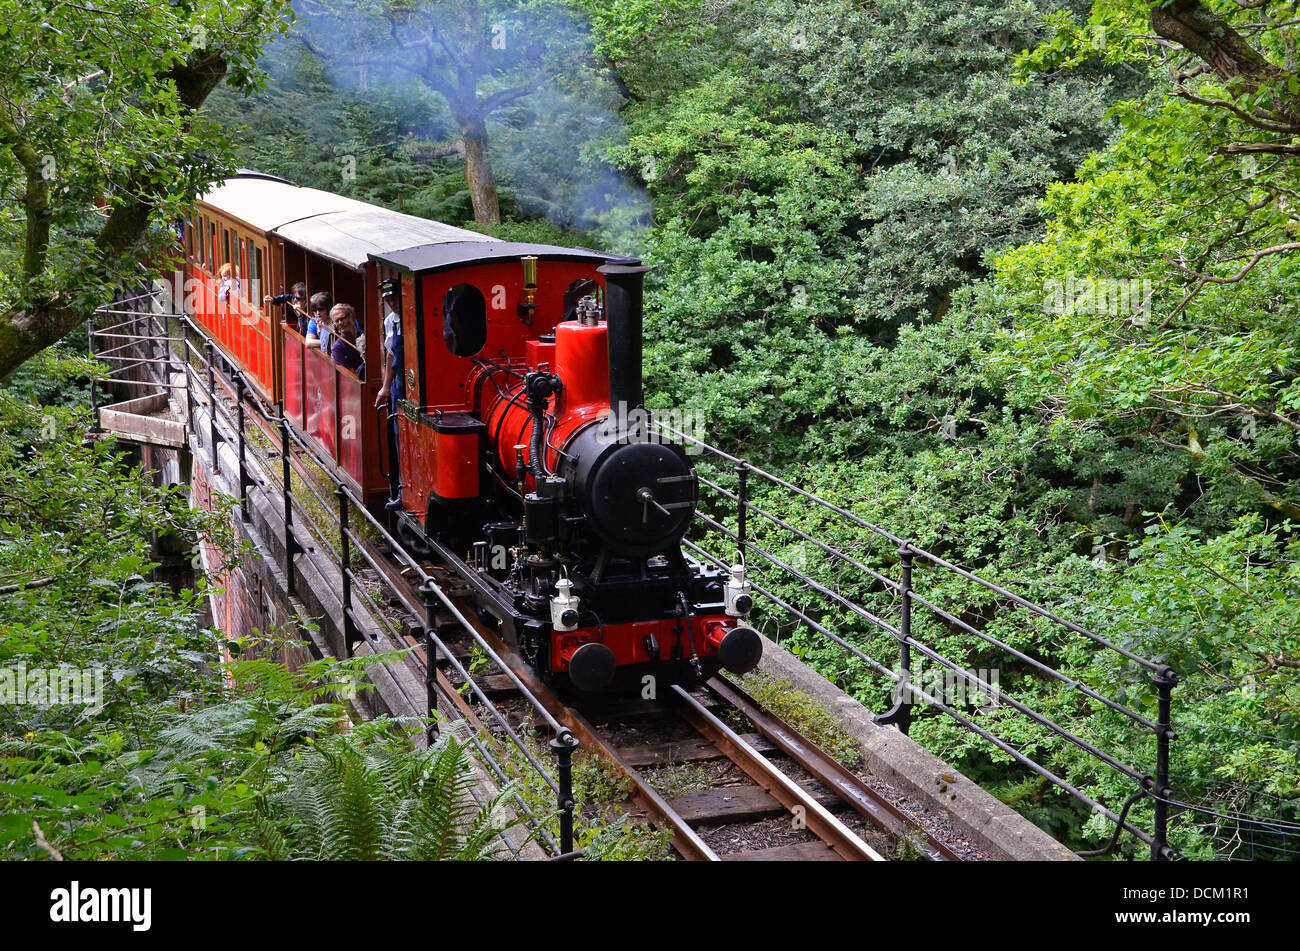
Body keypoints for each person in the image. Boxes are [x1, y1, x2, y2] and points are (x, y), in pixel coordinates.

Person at [374, 280, 403, 499]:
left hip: (409, 381)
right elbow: (390, 354)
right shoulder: (390, 321)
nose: (392, 302)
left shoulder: (411, 319)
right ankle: (401, 486)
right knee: (396, 432)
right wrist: (385, 387)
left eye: (394, 298)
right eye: (388, 299)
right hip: (398, 382)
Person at [329, 304, 364, 376]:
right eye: (336, 321)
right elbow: (352, 377)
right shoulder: (338, 348)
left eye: (343, 318)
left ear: (353, 317)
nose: (340, 323)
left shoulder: (366, 336)